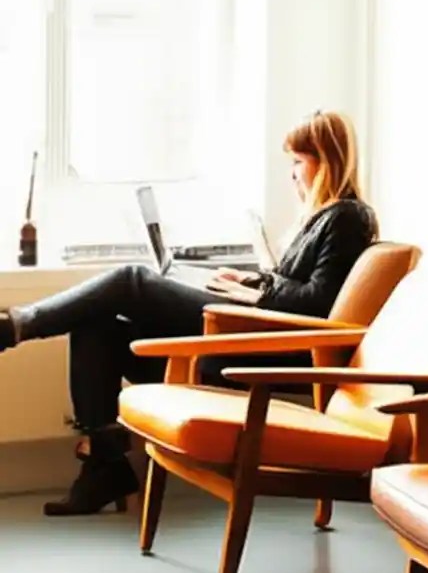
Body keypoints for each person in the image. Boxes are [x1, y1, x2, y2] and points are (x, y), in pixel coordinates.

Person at [0, 110, 378, 517]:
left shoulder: (347, 217)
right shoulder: (324, 218)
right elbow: (299, 290)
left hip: (263, 346)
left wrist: (259, 288)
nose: (292, 174)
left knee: (130, 280)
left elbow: (316, 305)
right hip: (249, 328)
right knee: (98, 325)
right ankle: (103, 468)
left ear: (327, 160)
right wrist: (249, 282)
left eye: (299, 162)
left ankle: (16, 325)